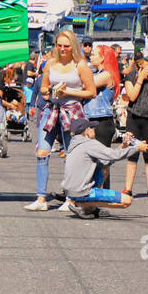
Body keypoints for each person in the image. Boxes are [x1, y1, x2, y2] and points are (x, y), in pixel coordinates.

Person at [27, 29, 97, 211]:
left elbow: (91, 91)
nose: (63, 49)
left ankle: (71, 198)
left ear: (72, 46)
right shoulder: (49, 64)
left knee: (71, 155)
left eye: (66, 46)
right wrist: (48, 92)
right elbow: (42, 87)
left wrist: (68, 92)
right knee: (42, 152)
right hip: (52, 109)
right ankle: (41, 198)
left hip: (72, 110)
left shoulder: (81, 65)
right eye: (59, 45)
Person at [60, 117, 148, 218]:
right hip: (83, 192)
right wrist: (136, 148)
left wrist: (123, 145)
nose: (94, 130)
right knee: (127, 201)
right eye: (92, 128)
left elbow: (105, 161)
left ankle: (90, 208)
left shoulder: (74, 145)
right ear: (86, 131)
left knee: (103, 168)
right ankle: (83, 205)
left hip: (71, 192)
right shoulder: (89, 144)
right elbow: (115, 155)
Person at [119, 53, 148, 200]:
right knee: (132, 153)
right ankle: (128, 188)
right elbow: (132, 96)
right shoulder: (131, 77)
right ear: (140, 66)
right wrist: (140, 78)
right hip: (134, 118)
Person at [83, 44, 122, 185]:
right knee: (92, 161)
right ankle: (93, 193)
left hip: (102, 122)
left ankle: (102, 193)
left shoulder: (106, 75)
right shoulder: (96, 73)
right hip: (92, 121)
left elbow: (86, 85)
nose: (91, 56)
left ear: (103, 58)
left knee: (102, 162)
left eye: (94, 54)